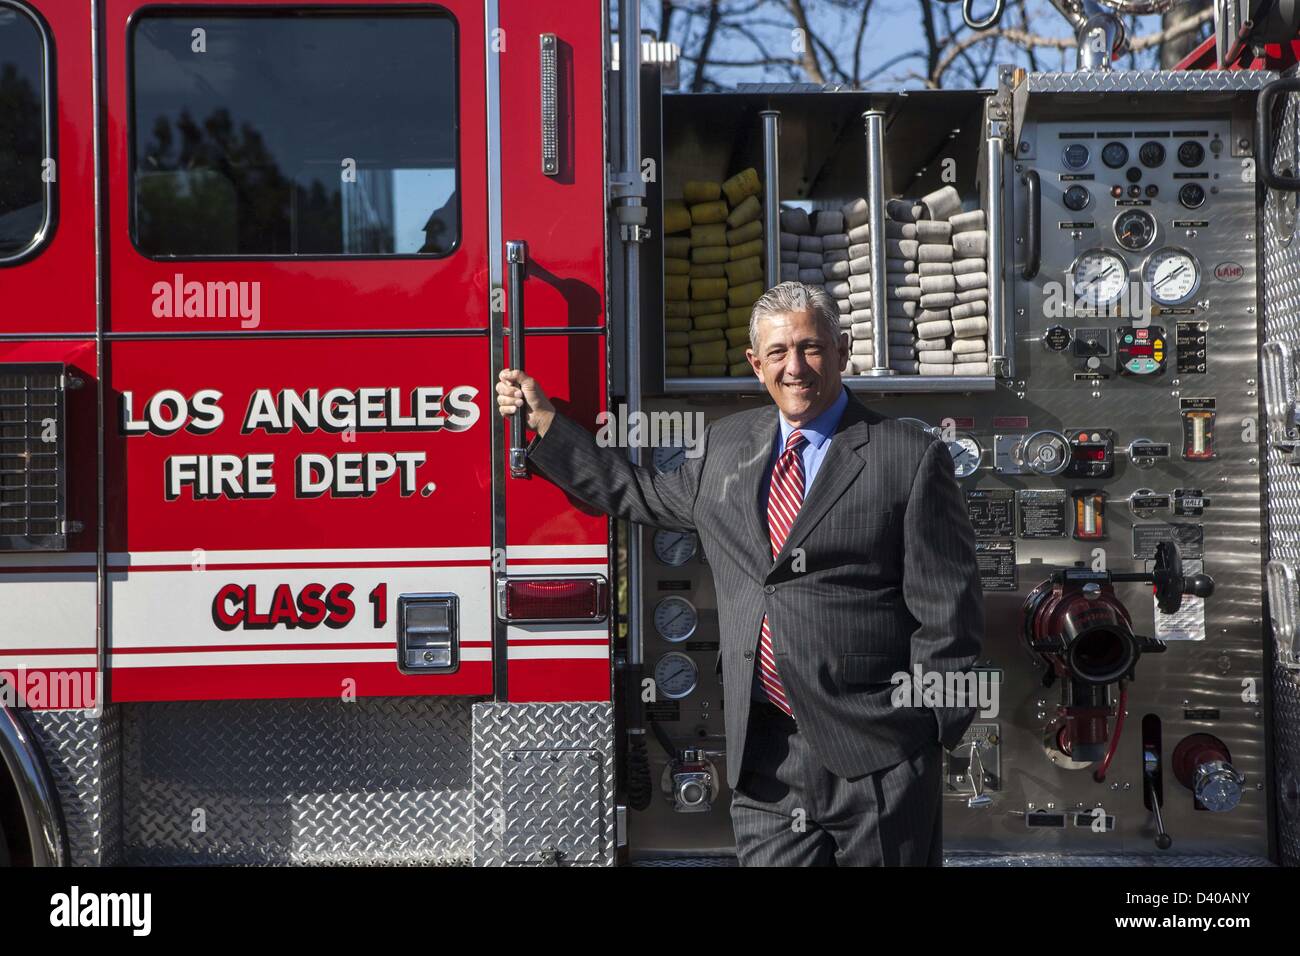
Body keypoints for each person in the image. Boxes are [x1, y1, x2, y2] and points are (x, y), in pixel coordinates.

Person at [496, 280, 984, 866]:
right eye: (778, 353)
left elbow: (949, 606)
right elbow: (639, 493)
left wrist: (928, 731)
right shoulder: (726, 447)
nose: (795, 367)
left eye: (811, 347)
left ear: (841, 350)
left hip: (878, 752)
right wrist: (548, 422)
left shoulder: (906, 454)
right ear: (757, 365)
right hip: (765, 759)